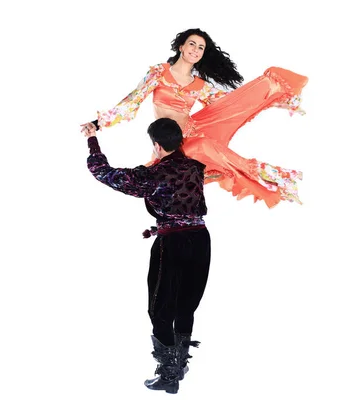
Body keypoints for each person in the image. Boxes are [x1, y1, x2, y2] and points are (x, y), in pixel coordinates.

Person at [80, 27, 308, 209]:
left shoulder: (200, 85)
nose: (196, 49)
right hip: (167, 143)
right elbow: (133, 100)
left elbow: (233, 104)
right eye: (192, 44)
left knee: (218, 156)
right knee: (161, 187)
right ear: (181, 46)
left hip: (193, 134)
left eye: (201, 47)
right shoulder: (159, 72)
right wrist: (98, 124)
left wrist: (273, 100)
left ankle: (281, 180)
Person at [84, 118, 211, 394]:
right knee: (186, 305)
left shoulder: (152, 175)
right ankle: (179, 364)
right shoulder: (196, 168)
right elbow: (185, 207)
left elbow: (103, 172)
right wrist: (158, 227)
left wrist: (92, 139)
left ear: (156, 145)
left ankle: (169, 375)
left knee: (160, 309)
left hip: (172, 244)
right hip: (200, 239)